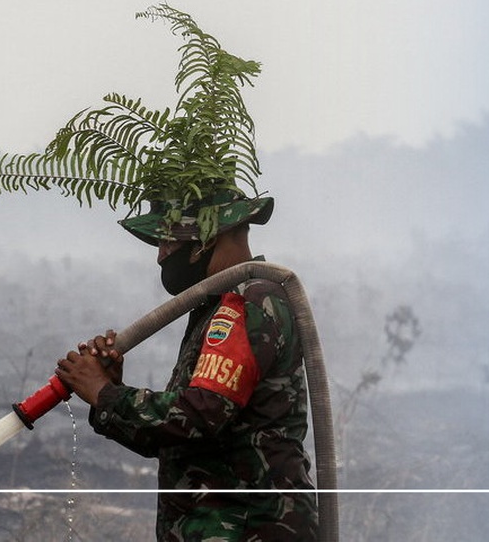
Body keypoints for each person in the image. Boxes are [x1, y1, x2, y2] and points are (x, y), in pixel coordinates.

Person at [55, 192, 320, 541]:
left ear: (209, 236)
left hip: (247, 528)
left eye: (170, 241)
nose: (162, 255)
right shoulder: (219, 305)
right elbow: (178, 437)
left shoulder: (245, 304)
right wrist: (111, 390)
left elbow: (200, 415)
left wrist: (105, 393)